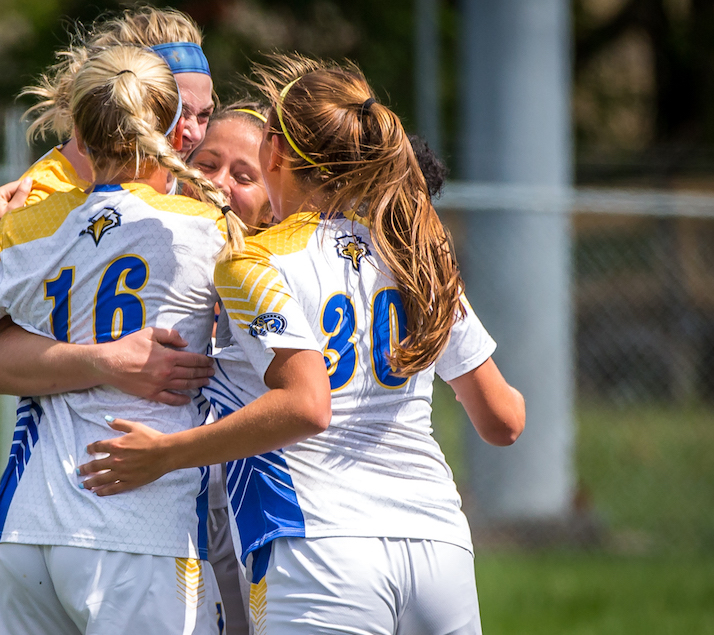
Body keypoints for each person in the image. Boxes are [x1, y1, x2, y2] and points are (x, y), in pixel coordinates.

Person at [75, 54, 526, 635]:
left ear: (274, 151)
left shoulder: (254, 259)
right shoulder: (417, 257)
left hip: (318, 545)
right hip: (438, 543)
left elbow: (307, 405)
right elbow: (504, 421)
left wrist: (165, 453)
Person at [0, 45, 243, 635]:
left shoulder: (20, 226)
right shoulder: (210, 230)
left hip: (28, 529)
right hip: (142, 528)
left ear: (79, 139)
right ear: (170, 131)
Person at [0, 6, 215, 235]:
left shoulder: (192, 187)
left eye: (204, 115)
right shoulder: (38, 200)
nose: (194, 133)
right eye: (177, 112)